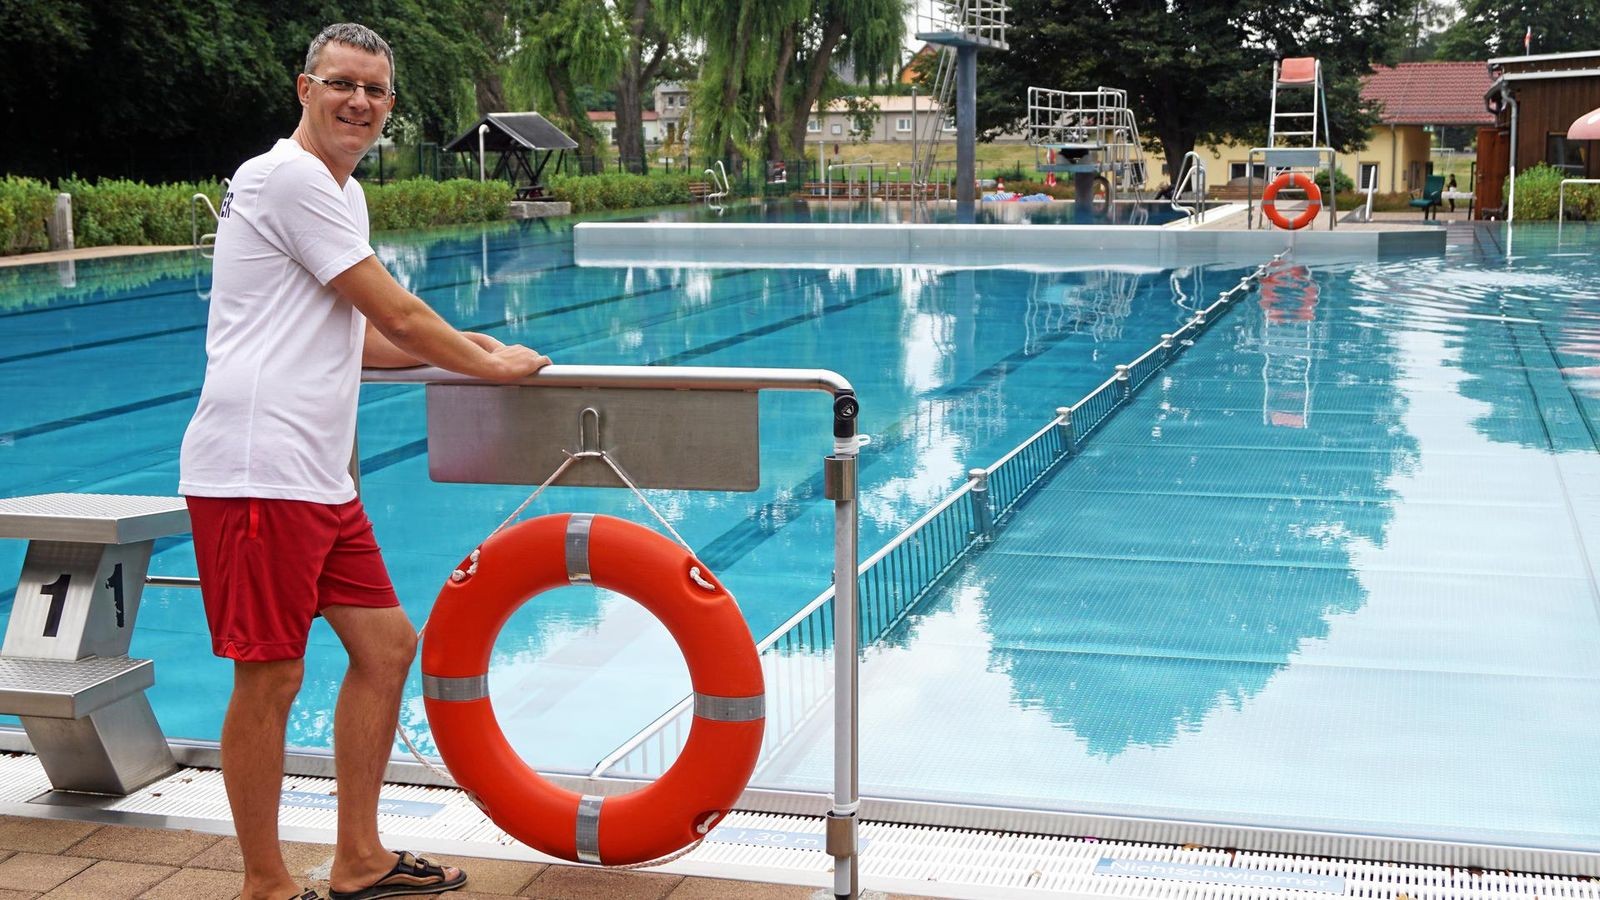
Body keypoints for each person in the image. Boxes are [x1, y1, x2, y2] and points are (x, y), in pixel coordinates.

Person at [179, 23, 548, 900]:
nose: (360, 102)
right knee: (270, 674)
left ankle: (358, 859)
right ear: (304, 88)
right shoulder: (289, 179)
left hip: (315, 476)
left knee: (386, 647)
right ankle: (265, 883)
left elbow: (359, 339)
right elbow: (402, 313)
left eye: (376, 90)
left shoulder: (341, 195)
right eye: (343, 83)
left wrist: (456, 346)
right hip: (256, 467)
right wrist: (483, 362)